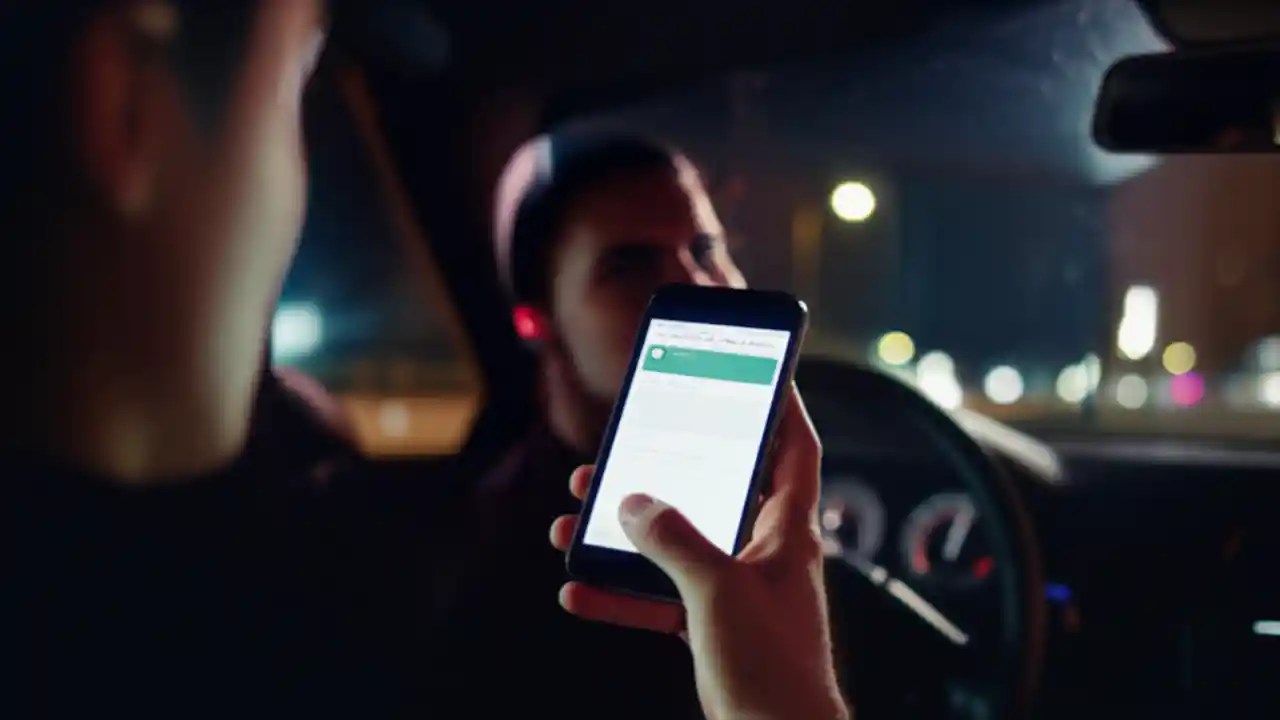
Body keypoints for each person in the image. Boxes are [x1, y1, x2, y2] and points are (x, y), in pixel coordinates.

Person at [0, 3, 847, 719]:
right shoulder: (343, 609)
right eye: (300, 84)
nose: (689, 284)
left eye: (706, 248)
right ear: (119, 95)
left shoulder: (131, 599)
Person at [437, 130, 777, 716]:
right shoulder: (488, 569)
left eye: (704, 250)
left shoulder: (771, 503)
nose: (694, 286)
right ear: (535, 320)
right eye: (628, 265)